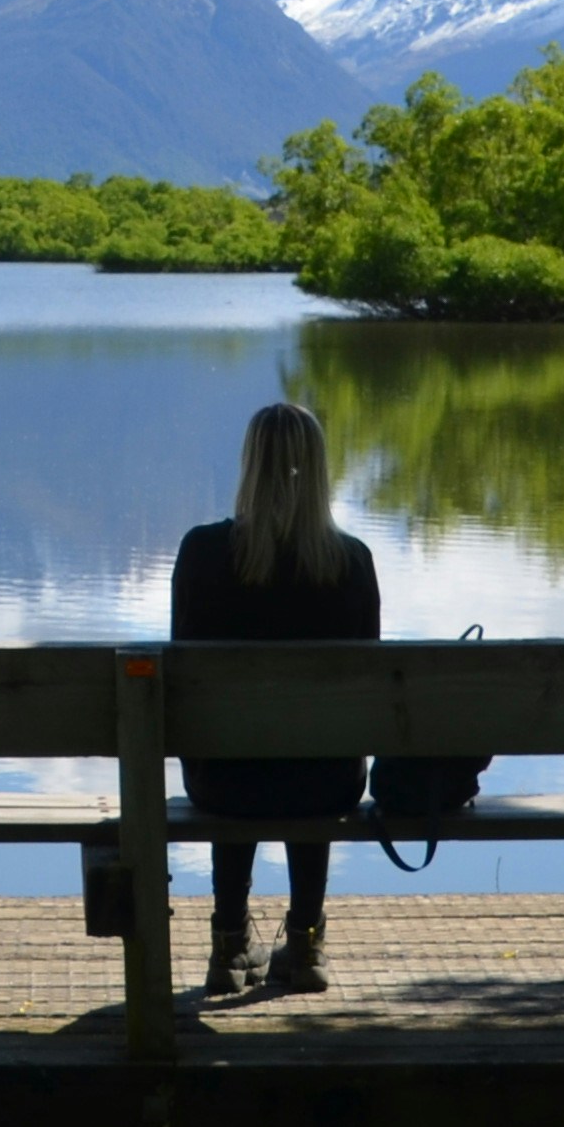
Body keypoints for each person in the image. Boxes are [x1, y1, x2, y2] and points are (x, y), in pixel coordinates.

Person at [170, 400, 380, 995]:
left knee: (233, 752)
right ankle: (307, 944)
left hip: (222, 783)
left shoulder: (203, 554)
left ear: (249, 465)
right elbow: (366, 696)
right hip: (326, 781)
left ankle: (230, 942)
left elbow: (184, 679)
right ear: (317, 469)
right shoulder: (353, 562)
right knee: (316, 750)